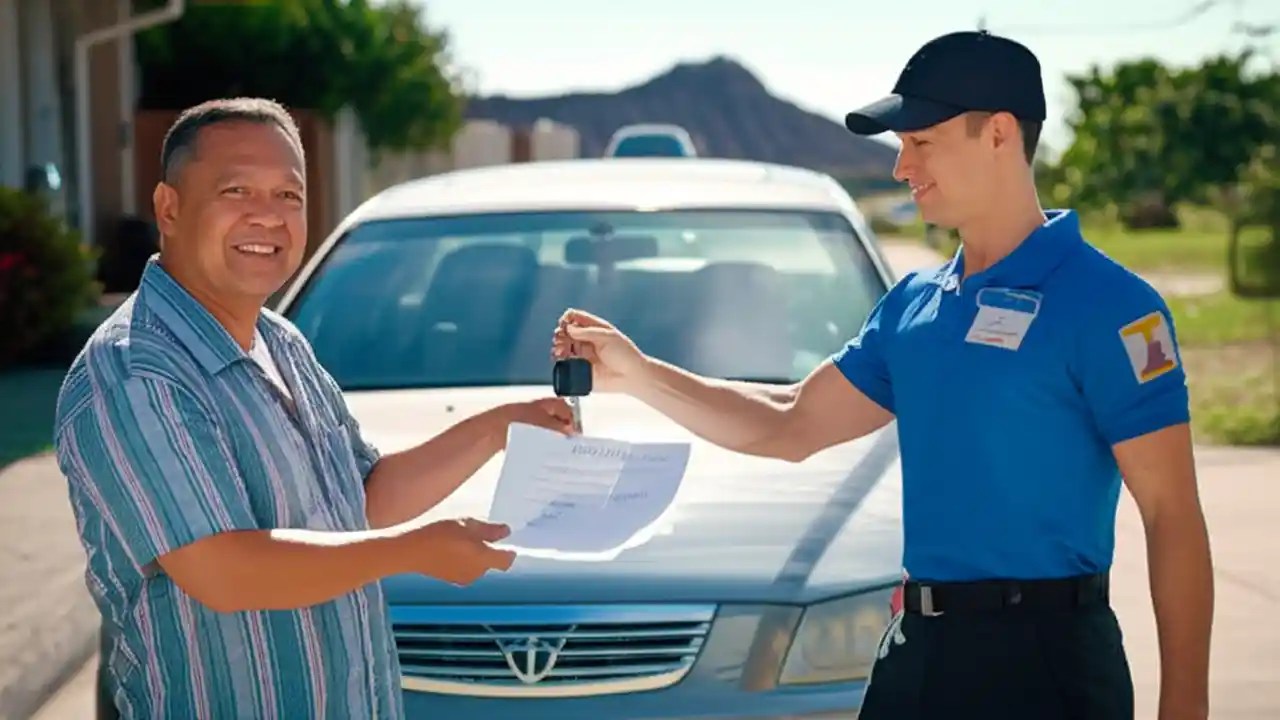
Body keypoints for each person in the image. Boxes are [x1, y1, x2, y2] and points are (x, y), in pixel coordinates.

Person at [552, 31, 1213, 720]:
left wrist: (1185, 706)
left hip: (1045, 665)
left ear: (997, 133)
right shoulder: (913, 303)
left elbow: (1172, 517)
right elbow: (790, 422)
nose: (901, 166)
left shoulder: (1113, 308)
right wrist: (641, 374)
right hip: (915, 654)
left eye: (919, 141)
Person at [53, 97, 574, 719]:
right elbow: (222, 571)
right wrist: (414, 551)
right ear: (169, 208)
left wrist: (499, 428)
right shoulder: (136, 369)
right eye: (237, 191)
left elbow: (364, 499)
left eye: (288, 197)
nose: (267, 218)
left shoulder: (281, 341)